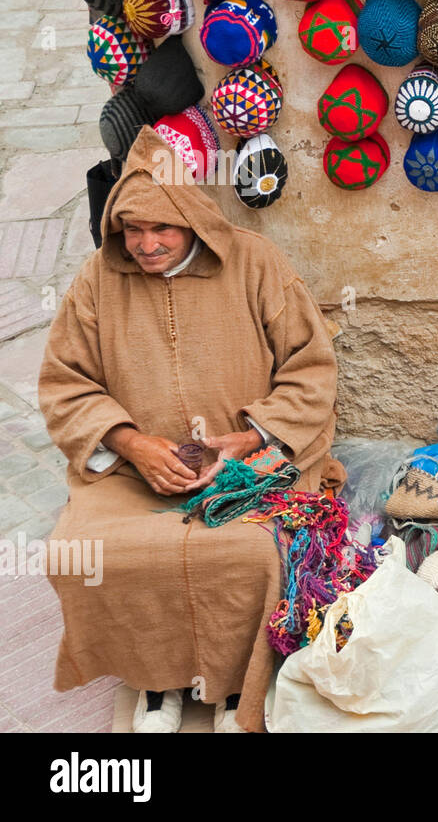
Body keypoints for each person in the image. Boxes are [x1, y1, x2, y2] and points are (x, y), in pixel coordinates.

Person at [38, 125, 341, 733]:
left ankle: (236, 684)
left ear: (193, 224)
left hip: (253, 472)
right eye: (133, 229)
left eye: (162, 229)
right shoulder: (98, 281)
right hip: (133, 474)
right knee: (96, 552)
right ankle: (156, 678)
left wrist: (253, 436)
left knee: (251, 551)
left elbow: (312, 374)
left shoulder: (257, 264)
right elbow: (65, 384)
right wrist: (132, 444)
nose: (146, 245)